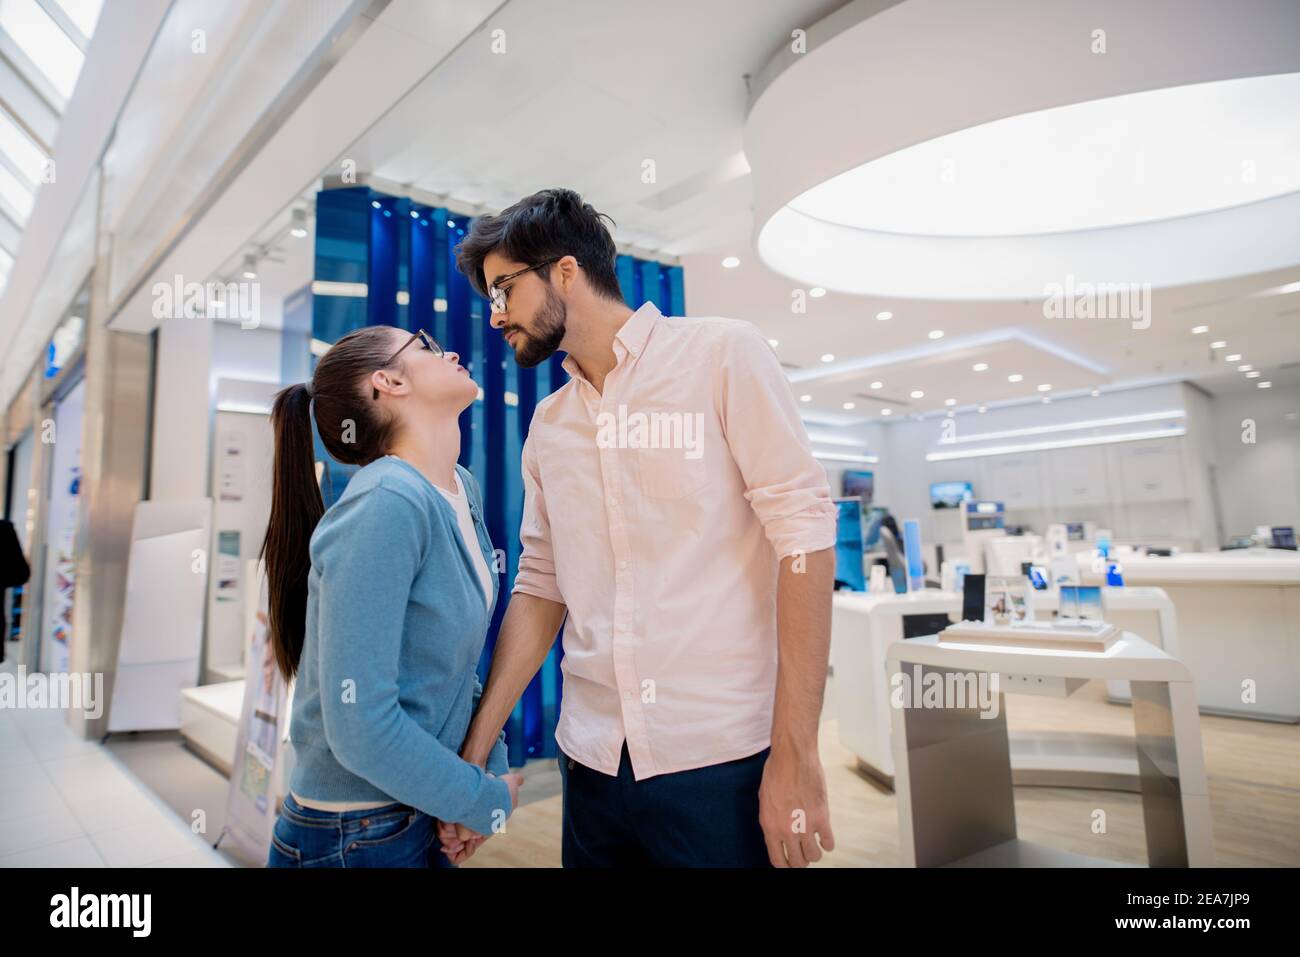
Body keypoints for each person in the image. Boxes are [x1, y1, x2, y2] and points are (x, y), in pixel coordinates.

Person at [454, 188, 838, 867]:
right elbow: (541, 586)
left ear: (565, 272)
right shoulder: (550, 425)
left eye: (504, 290)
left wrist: (797, 752)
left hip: (721, 761)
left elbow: (803, 540)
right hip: (592, 762)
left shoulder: (723, 355)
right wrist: (476, 748)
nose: (495, 315)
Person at [261, 325, 521, 868]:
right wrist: (482, 798)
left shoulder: (457, 488)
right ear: (388, 381)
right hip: (352, 831)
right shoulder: (387, 501)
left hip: (411, 807)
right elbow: (360, 725)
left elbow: (449, 671)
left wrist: (481, 773)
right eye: (424, 345)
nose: (449, 350)